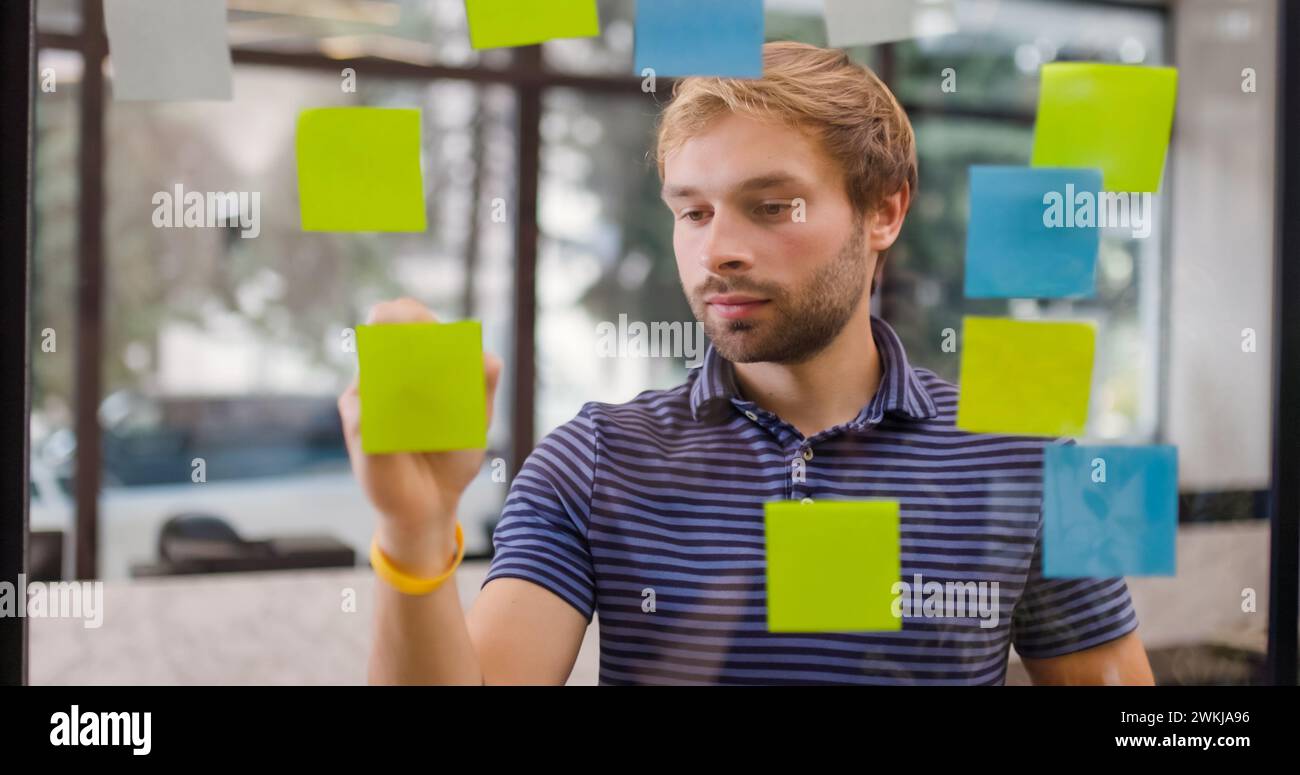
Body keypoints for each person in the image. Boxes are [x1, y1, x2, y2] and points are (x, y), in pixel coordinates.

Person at [338, 41, 1155, 686]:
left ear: (884, 210)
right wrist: (412, 531)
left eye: (770, 207)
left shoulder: (1026, 458)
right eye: (692, 211)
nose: (717, 250)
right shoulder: (593, 460)